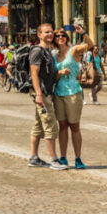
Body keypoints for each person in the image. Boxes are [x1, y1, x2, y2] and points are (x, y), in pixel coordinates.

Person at [54, 25, 94, 169]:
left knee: (74, 126)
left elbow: (90, 45)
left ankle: (78, 158)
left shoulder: (74, 50)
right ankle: (63, 157)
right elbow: (53, 75)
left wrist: (83, 32)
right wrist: (59, 73)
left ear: (67, 37)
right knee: (62, 126)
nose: (60, 38)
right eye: (57, 36)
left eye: (63, 35)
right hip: (58, 93)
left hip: (73, 93)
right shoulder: (54, 55)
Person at [28, 23, 67, 170]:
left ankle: (34, 157)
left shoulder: (47, 51)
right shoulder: (37, 51)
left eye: (51, 32)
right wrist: (39, 94)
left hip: (45, 92)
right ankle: (54, 160)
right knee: (50, 124)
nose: (50, 34)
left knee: (38, 125)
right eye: (46, 32)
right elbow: (34, 73)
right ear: (39, 35)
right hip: (42, 93)